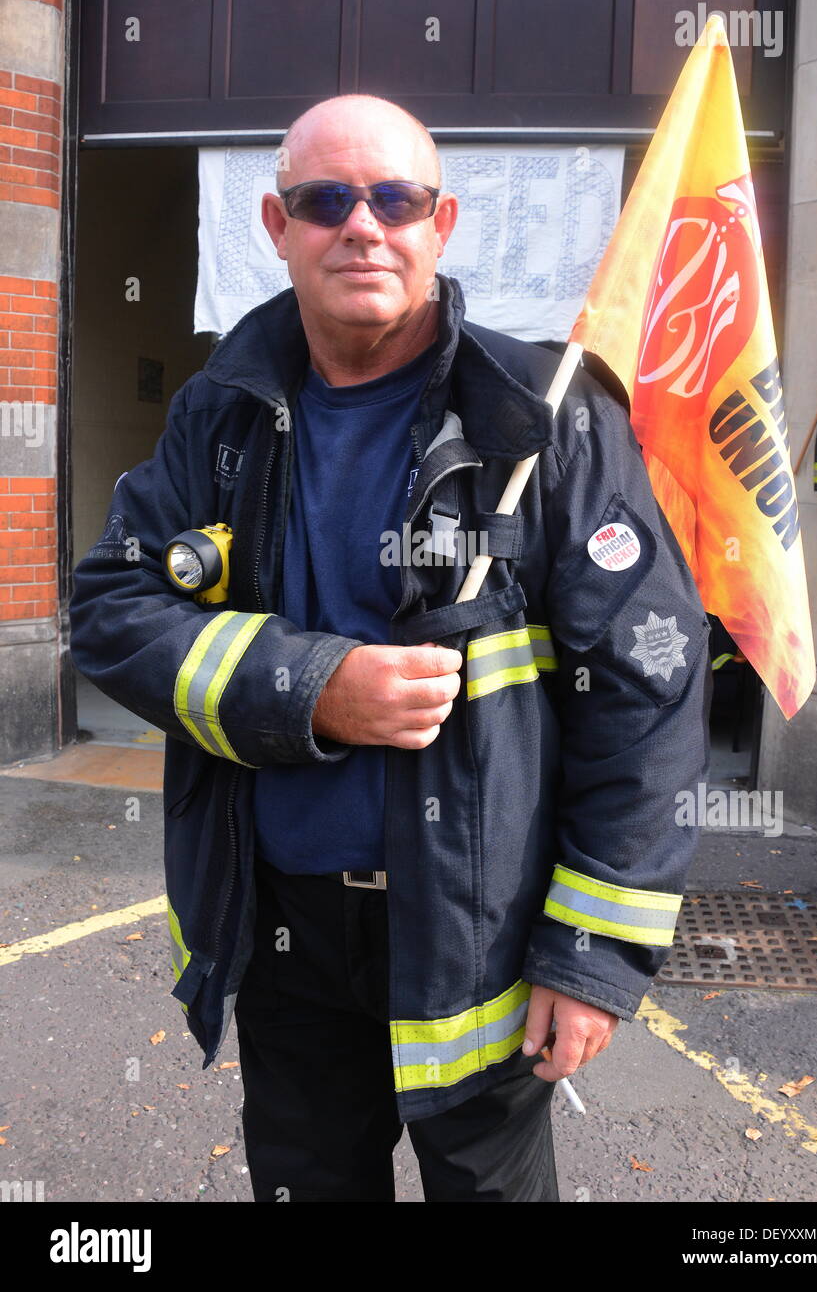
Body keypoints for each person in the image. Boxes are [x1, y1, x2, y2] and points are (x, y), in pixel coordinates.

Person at [69, 94, 713, 1203]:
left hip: (483, 942)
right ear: (276, 227)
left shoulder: (537, 418)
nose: (360, 226)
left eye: (394, 199)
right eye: (324, 201)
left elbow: (647, 680)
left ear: (440, 221)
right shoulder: (215, 414)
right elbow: (113, 611)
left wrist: (594, 954)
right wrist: (311, 690)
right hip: (280, 933)